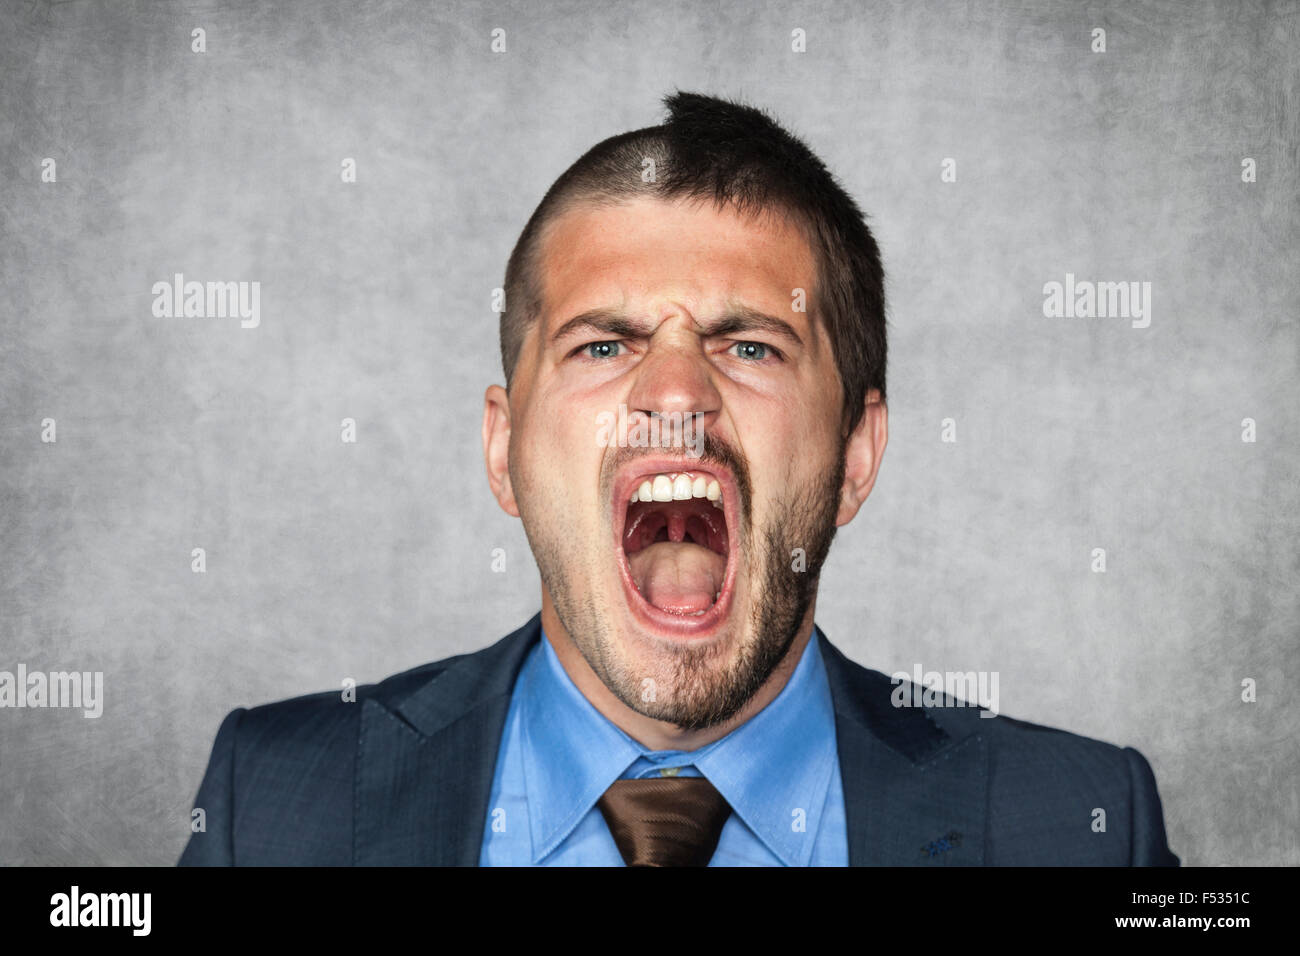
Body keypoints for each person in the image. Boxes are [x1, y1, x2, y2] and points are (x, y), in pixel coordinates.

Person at [179, 91, 1179, 866]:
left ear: (854, 458)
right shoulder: (274, 802)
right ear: (505, 451)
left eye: (747, 346)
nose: (672, 394)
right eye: (604, 343)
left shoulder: (1079, 822)